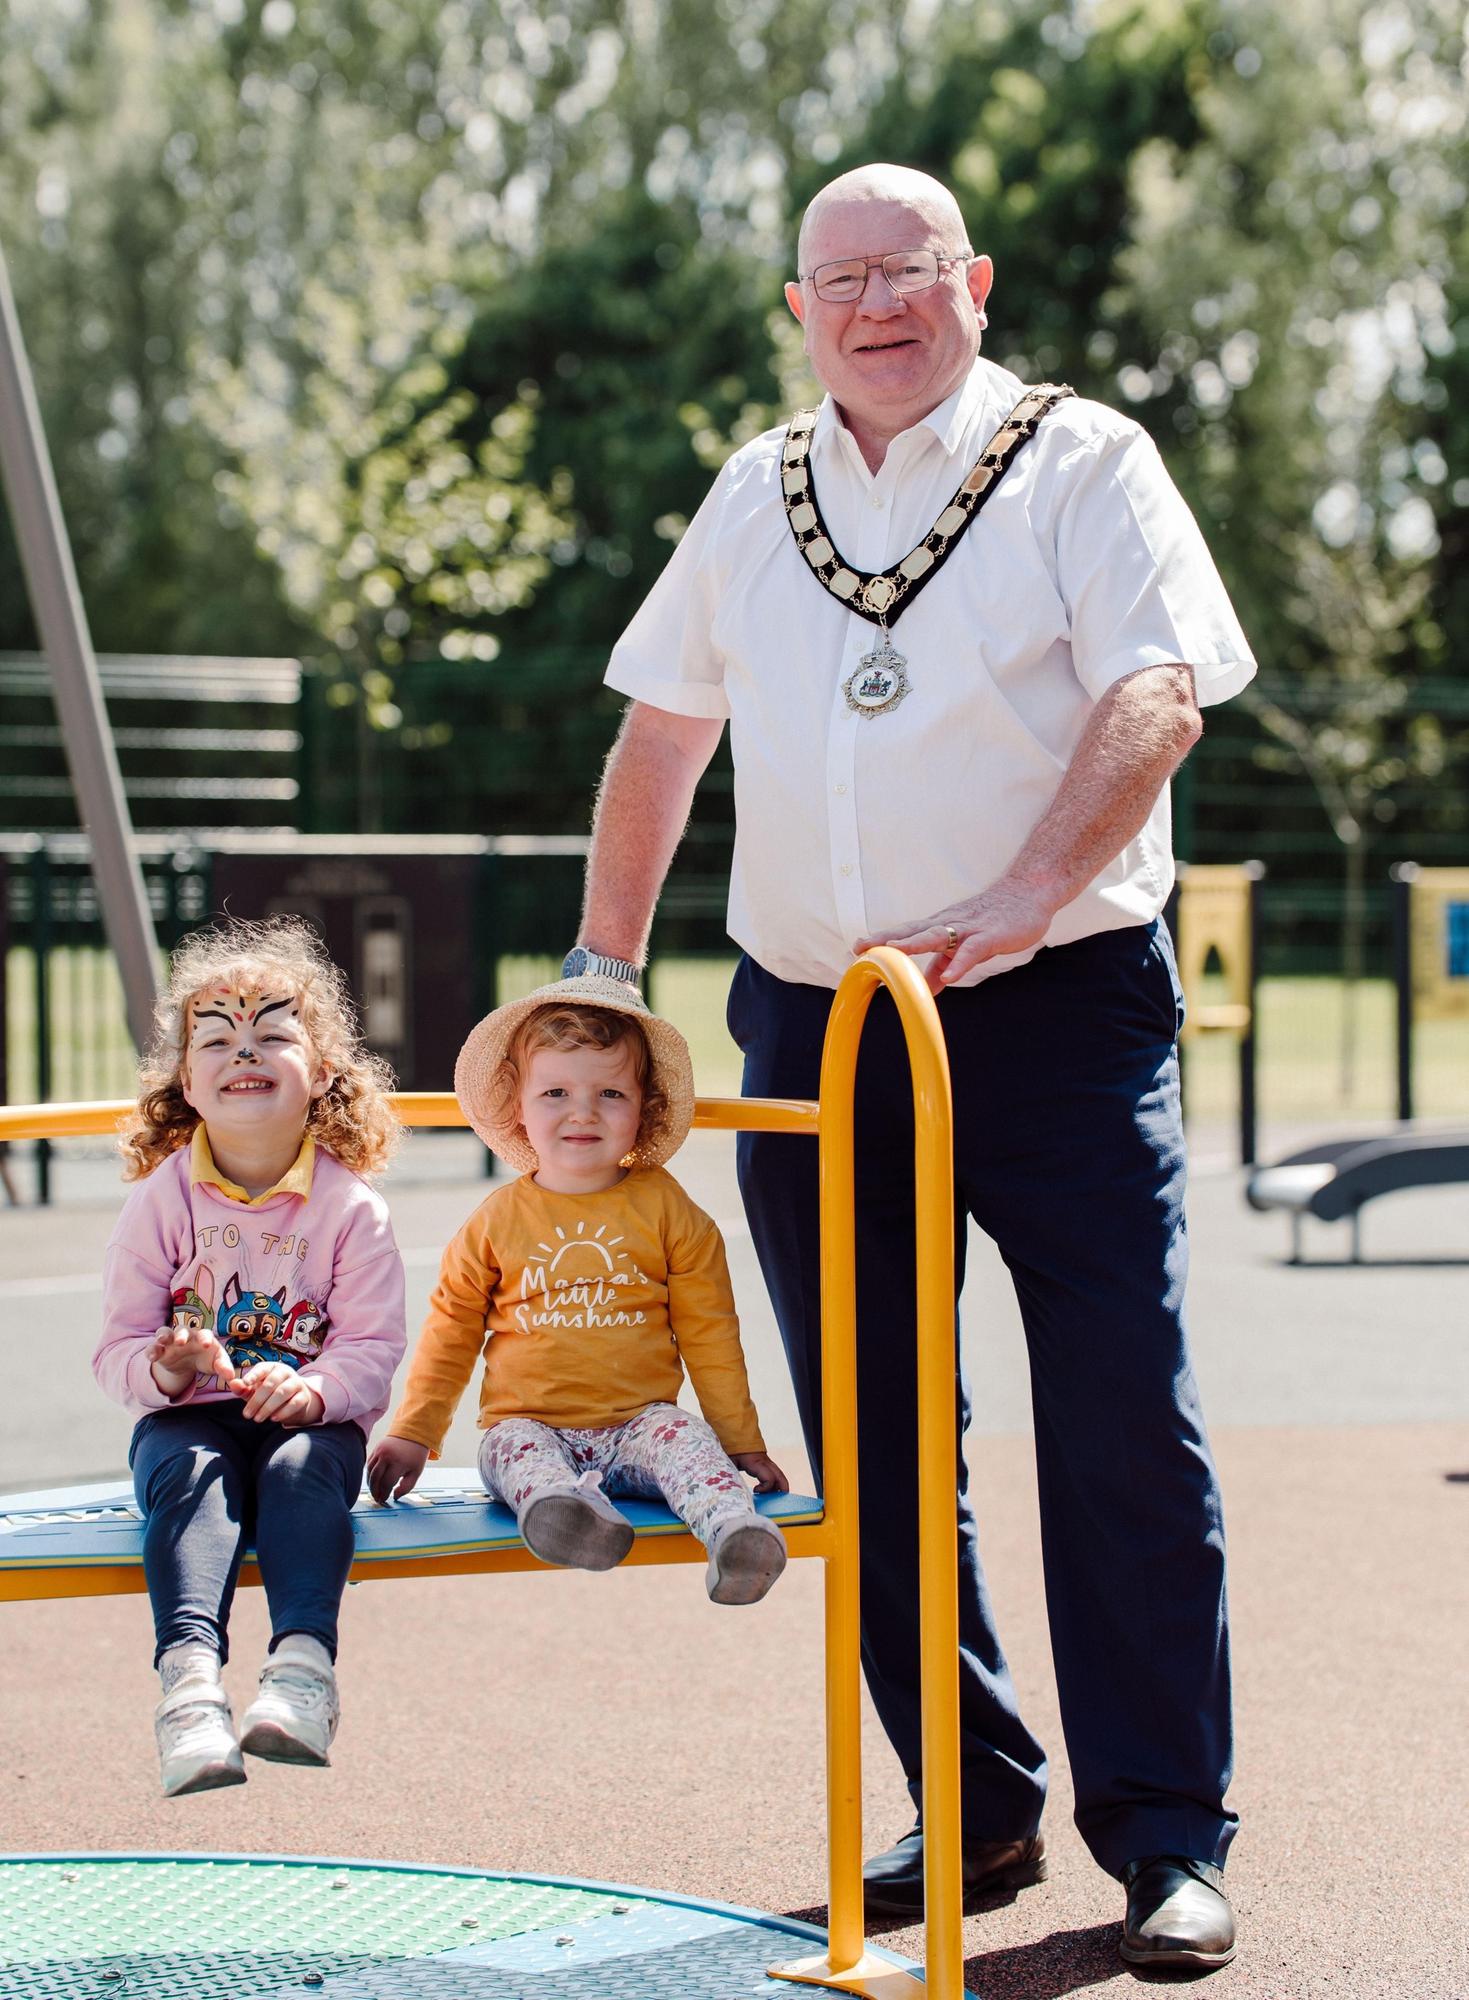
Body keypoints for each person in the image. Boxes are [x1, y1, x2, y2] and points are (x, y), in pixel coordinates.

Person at [563, 163, 1254, 1971]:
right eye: (835, 278)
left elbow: (1157, 690)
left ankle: (1165, 1836)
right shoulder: (749, 489)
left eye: (905, 269)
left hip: (1054, 1007)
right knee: (873, 1445)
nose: (873, 303)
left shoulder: (1080, 460)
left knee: (1120, 1416)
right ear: (795, 309)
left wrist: (1025, 891)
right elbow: (660, 735)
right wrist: (595, 972)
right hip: (816, 1027)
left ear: (974, 281)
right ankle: (973, 1804)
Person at [93, 918, 407, 1797]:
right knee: (190, 1474)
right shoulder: (161, 1203)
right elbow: (114, 1350)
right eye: (219, 1039)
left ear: (325, 1073)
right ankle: (190, 1688)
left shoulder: (351, 1210)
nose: (246, 1051)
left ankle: (302, 1673)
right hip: (189, 1418)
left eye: (274, 1032)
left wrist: (311, 1391)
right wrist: (166, 1369)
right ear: (186, 1082)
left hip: (308, 1421)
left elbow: (373, 1350)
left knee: (307, 1470)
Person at [367, 975, 790, 1604]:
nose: (582, 1111)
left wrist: (740, 1442)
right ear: (518, 1108)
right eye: (556, 1091)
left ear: (644, 1108)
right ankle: (565, 1514)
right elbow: (451, 1331)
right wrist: (414, 1429)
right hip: (531, 1423)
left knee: (687, 1439)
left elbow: (710, 1332)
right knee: (509, 1451)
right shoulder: (497, 1221)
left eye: (611, 1092)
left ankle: (733, 1531)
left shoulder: (668, 1208)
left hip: (639, 1425)